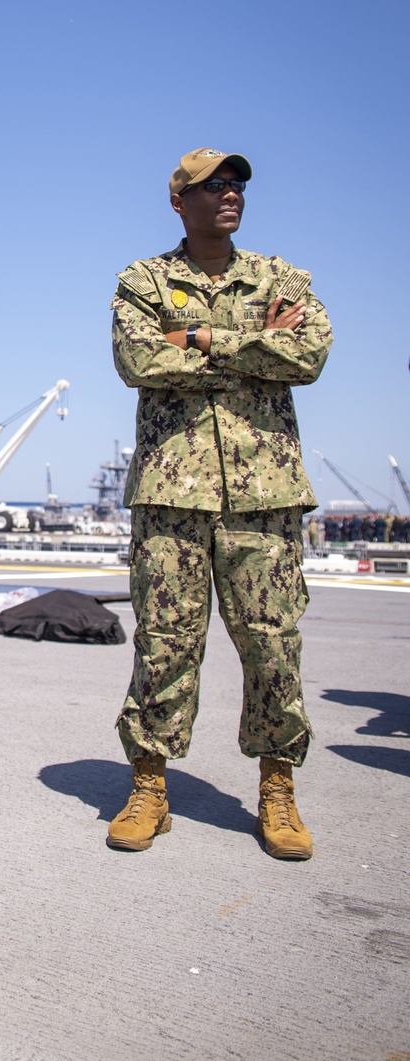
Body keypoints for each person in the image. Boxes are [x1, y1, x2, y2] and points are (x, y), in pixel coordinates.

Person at [107, 148, 332, 860]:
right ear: (180, 201)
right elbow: (139, 362)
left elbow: (309, 355)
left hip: (264, 496)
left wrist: (204, 338)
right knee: (165, 642)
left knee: (273, 646)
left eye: (235, 184)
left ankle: (278, 787)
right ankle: (149, 785)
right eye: (212, 186)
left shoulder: (281, 277)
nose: (229, 194)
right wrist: (255, 343)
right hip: (171, 494)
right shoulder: (145, 280)